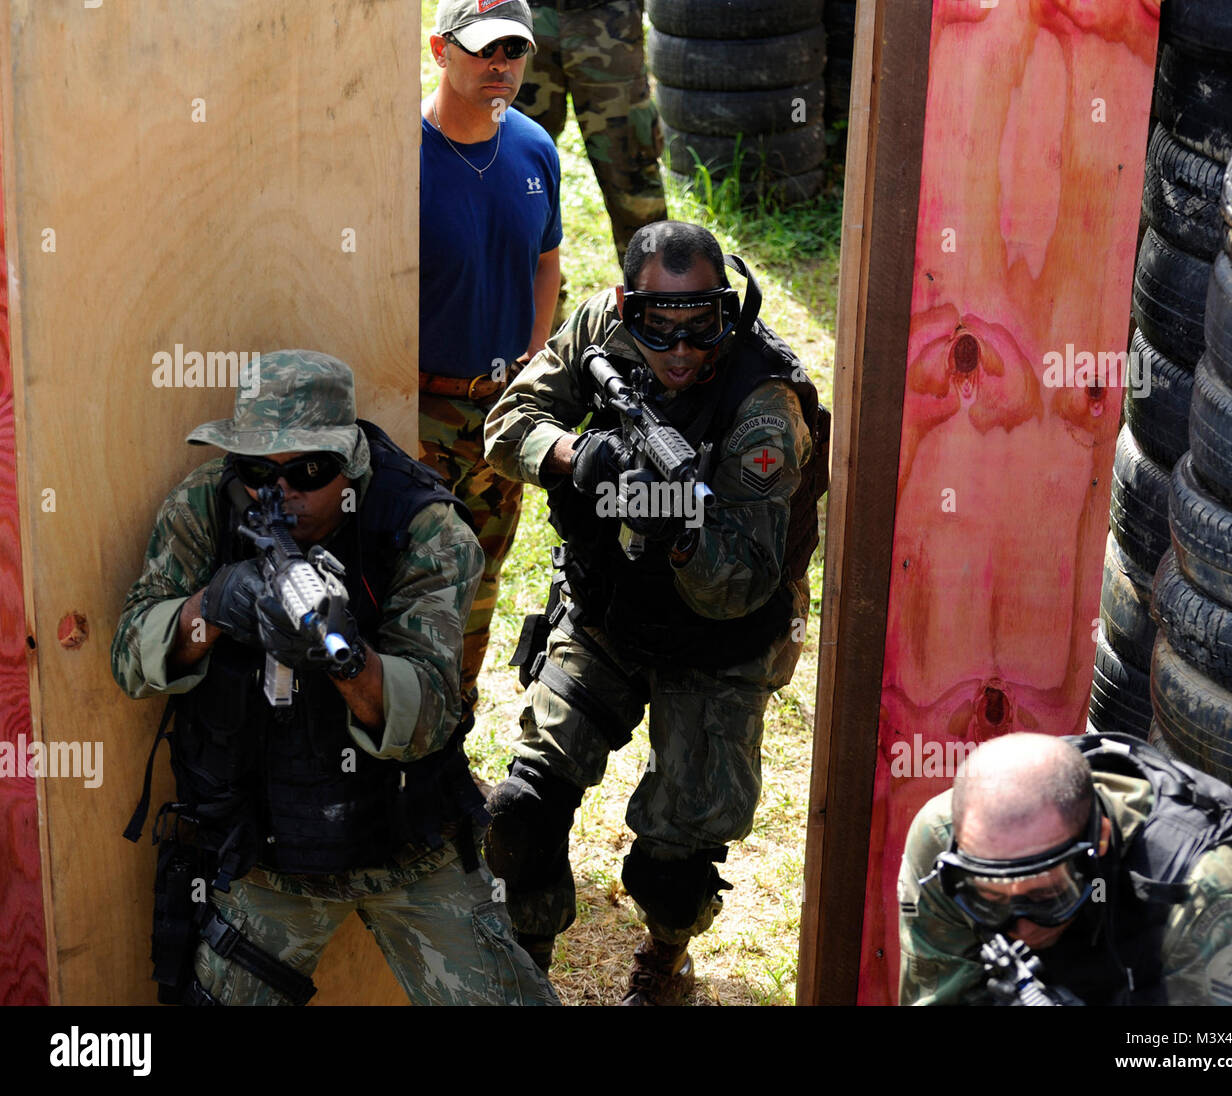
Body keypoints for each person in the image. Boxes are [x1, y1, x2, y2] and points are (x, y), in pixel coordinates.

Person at [110, 350, 558, 1006]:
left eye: (309, 472)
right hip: (267, 851)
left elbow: (428, 713)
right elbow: (128, 658)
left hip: (405, 842)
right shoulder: (208, 504)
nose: (280, 493)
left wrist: (343, 659)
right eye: (258, 471)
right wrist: (213, 608)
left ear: (349, 462)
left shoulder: (423, 528)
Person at [482, 220, 825, 1004]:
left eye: (700, 330)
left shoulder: (763, 408)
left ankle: (664, 965)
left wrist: (677, 534)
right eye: (657, 330)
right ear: (626, 305)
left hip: (719, 642)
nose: (677, 352)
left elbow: (740, 586)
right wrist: (574, 456)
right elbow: (506, 425)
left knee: (672, 866)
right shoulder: (603, 326)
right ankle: (527, 971)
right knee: (522, 814)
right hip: (608, 614)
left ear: (726, 314)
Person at [897, 730, 1232, 1005]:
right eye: (988, 899)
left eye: (1045, 895)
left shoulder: (1198, 884)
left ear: (1100, 840)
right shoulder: (943, 840)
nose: (1019, 926)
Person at [420, 0, 562, 719]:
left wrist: (536, 362)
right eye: (483, 50)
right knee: (409, 575)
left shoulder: (536, 149)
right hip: (415, 409)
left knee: (479, 575)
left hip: (503, 409)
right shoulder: (394, 153)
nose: (501, 65)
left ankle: (452, 727)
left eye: (515, 50)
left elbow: (547, 261)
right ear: (441, 50)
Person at [517, 0, 666, 264]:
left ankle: (652, 297)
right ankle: (531, 301)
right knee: (513, 169)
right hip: (520, 16)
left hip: (607, 17)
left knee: (631, 172)